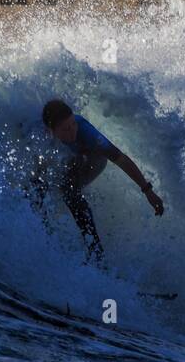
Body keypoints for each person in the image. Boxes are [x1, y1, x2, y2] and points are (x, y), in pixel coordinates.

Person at [37, 99, 164, 263]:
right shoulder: (41, 135)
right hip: (71, 159)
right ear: (51, 131)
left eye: (73, 124)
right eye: (65, 129)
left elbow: (120, 159)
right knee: (38, 185)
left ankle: (96, 254)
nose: (72, 132)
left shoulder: (87, 133)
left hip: (93, 160)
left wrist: (148, 190)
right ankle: (41, 233)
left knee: (69, 190)